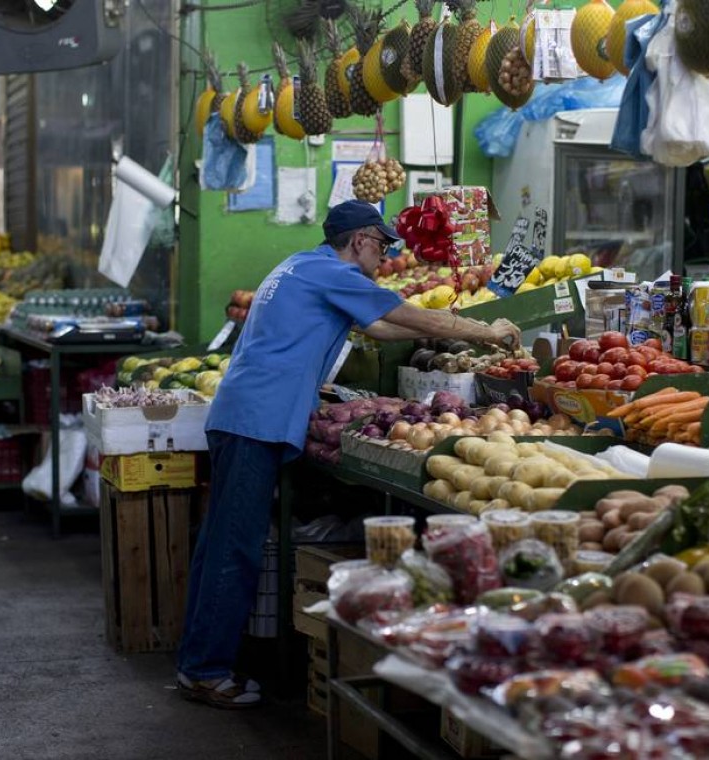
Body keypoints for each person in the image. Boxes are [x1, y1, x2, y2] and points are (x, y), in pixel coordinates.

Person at [175, 200, 521, 709]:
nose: (384, 258)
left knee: (219, 545)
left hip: (243, 414)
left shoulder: (302, 265)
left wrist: (439, 330)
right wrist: (485, 331)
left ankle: (196, 663)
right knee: (235, 548)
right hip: (257, 421)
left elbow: (381, 327)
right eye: (382, 246)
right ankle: (205, 671)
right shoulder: (330, 271)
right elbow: (398, 312)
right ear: (359, 240)